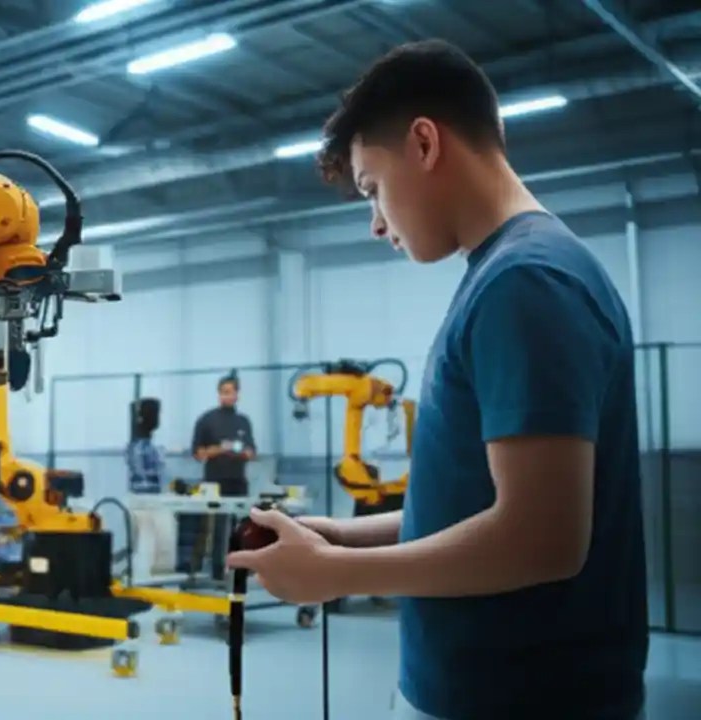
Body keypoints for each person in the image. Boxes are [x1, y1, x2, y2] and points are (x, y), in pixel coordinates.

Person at [226, 40, 646, 720]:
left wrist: (337, 575)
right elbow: (473, 509)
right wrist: (340, 535)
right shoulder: (510, 273)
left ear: (424, 142)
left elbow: (541, 539)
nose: (374, 222)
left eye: (371, 187)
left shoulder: (527, 282)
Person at [191, 375, 256, 579]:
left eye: (232, 392)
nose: (229, 396)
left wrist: (240, 452)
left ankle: (240, 566)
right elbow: (198, 454)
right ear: (219, 394)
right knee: (215, 527)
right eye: (224, 392)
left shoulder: (243, 421)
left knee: (241, 526)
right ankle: (213, 569)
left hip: (238, 481)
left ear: (237, 394)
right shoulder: (207, 420)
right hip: (215, 483)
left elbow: (252, 453)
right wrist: (220, 449)